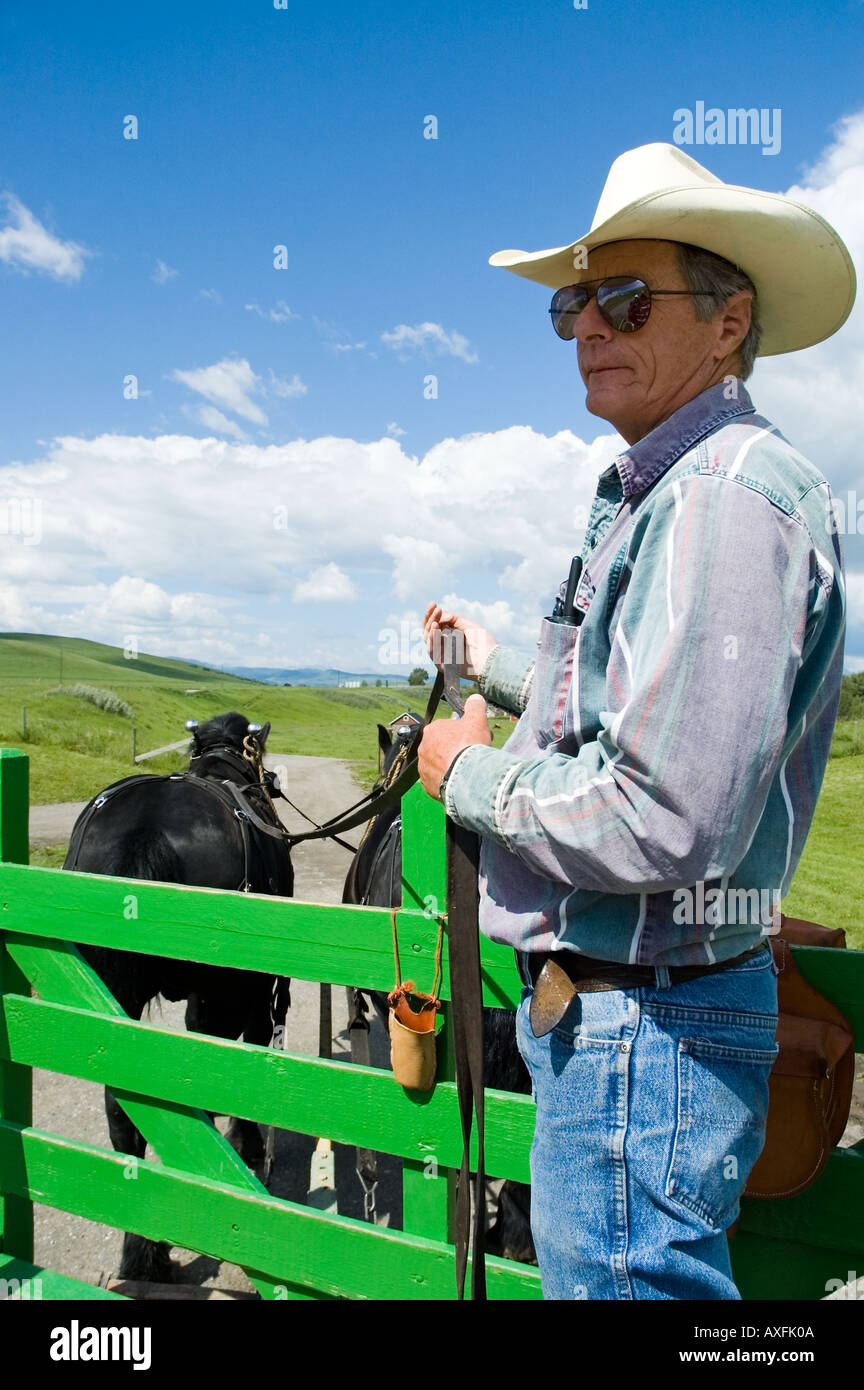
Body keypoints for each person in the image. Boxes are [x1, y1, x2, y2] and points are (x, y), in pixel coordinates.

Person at [415, 142, 855, 1300]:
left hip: (640, 1035)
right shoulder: (692, 487)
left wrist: (466, 775)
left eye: (625, 298)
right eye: (575, 303)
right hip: (633, 1029)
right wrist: (497, 666)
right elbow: (631, 708)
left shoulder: (714, 498)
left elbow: (661, 812)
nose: (588, 327)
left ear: (728, 323)